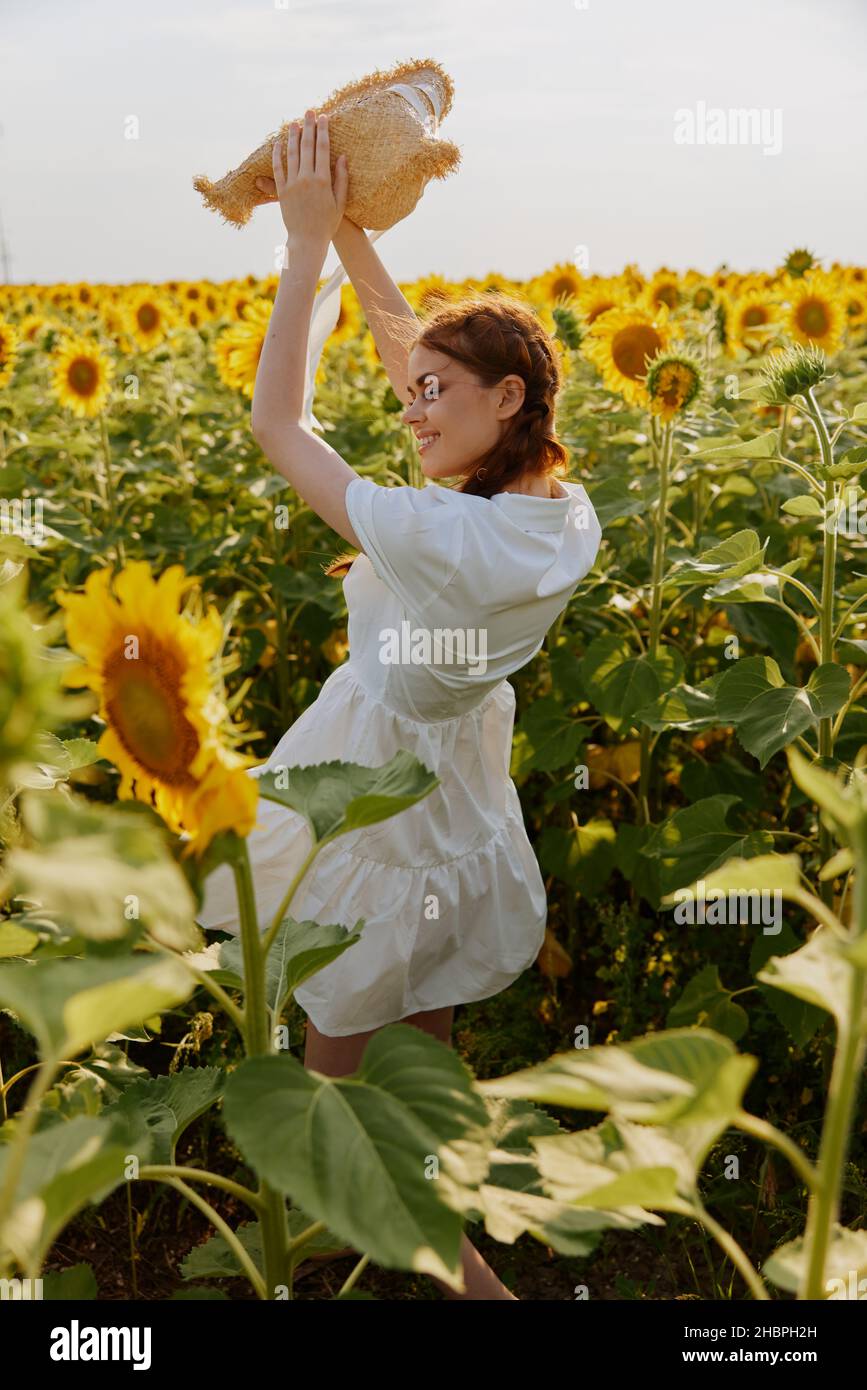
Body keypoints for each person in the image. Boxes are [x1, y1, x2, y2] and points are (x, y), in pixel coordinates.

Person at [197, 111, 602, 1300]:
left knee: (329, 1103)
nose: (413, 410)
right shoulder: (550, 507)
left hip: (370, 785)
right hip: (452, 778)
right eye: (415, 391)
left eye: (436, 397)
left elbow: (280, 426)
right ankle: (440, 1224)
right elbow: (416, 369)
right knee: (415, 1056)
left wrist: (306, 253)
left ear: (508, 394)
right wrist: (366, 247)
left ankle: (459, 1279)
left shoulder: (436, 533)